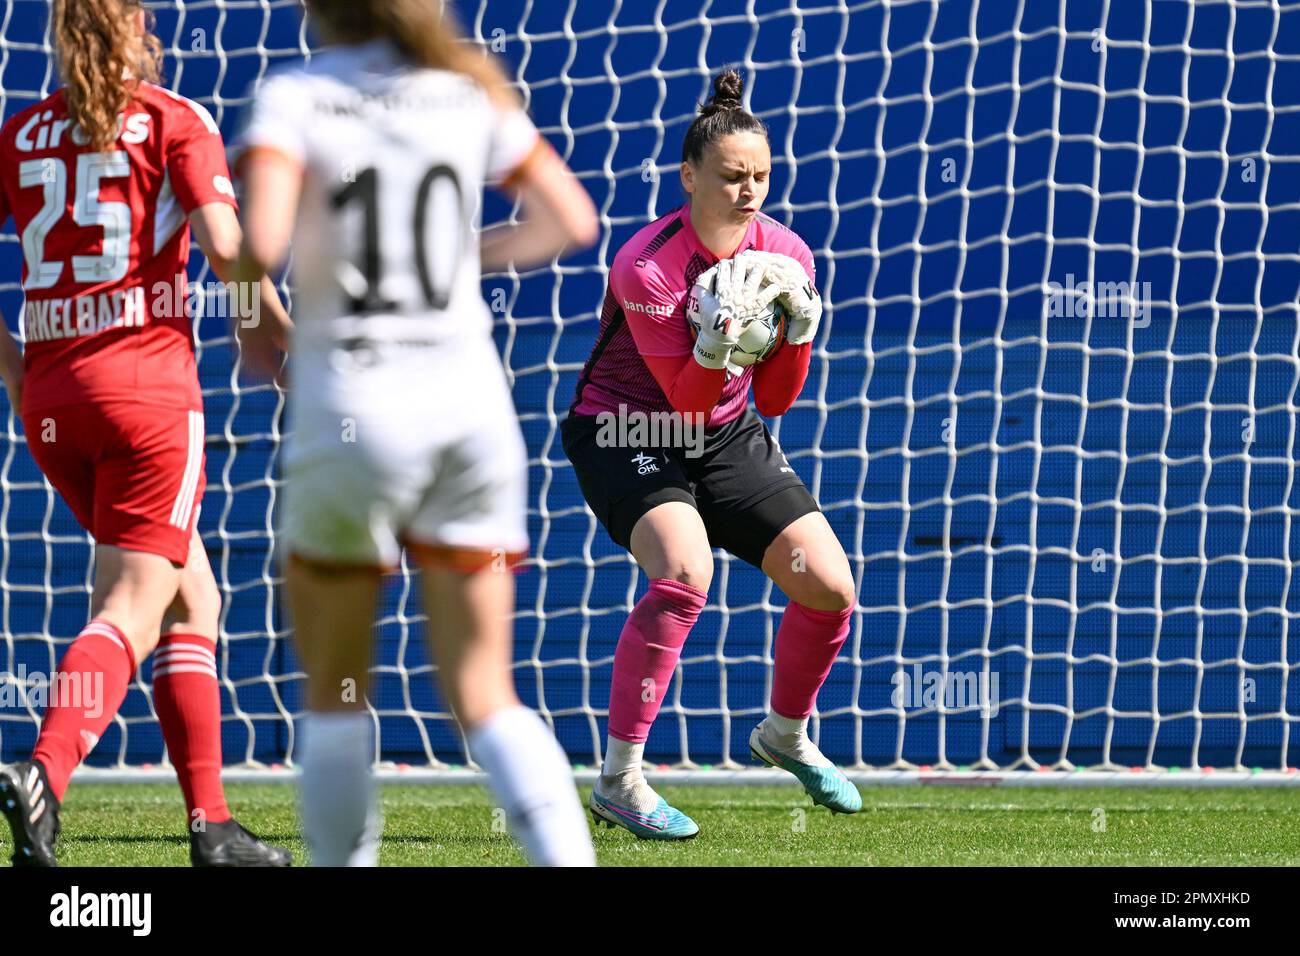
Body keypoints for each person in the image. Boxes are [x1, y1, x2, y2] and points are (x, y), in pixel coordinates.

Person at [233, 0, 600, 866]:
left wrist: (254, 319)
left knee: (334, 695)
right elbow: (571, 222)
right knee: (485, 692)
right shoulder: (467, 92)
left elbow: (259, 240)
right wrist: (465, 260)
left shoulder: (298, 96)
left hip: (351, 408)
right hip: (467, 410)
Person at [0, 0, 291, 866]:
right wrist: (281, 343)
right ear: (136, 29)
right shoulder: (171, 119)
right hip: (147, 397)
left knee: (189, 596)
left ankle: (211, 825)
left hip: (54, 398)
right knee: (130, 603)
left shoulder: (20, 133)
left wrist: (17, 371)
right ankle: (43, 768)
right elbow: (229, 256)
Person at [561, 68, 862, 839]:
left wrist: (797, 331)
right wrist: (720, 335)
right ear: (690, 175)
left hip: (724, 432)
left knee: (830, 587)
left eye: (761, 175)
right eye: (732, 176)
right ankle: (621, 781)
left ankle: (785, 734)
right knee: (683, 572)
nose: (749, 191)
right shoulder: (648, 264)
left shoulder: (786, 252)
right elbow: (683, 402)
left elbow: (775, 402)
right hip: (629, 429)